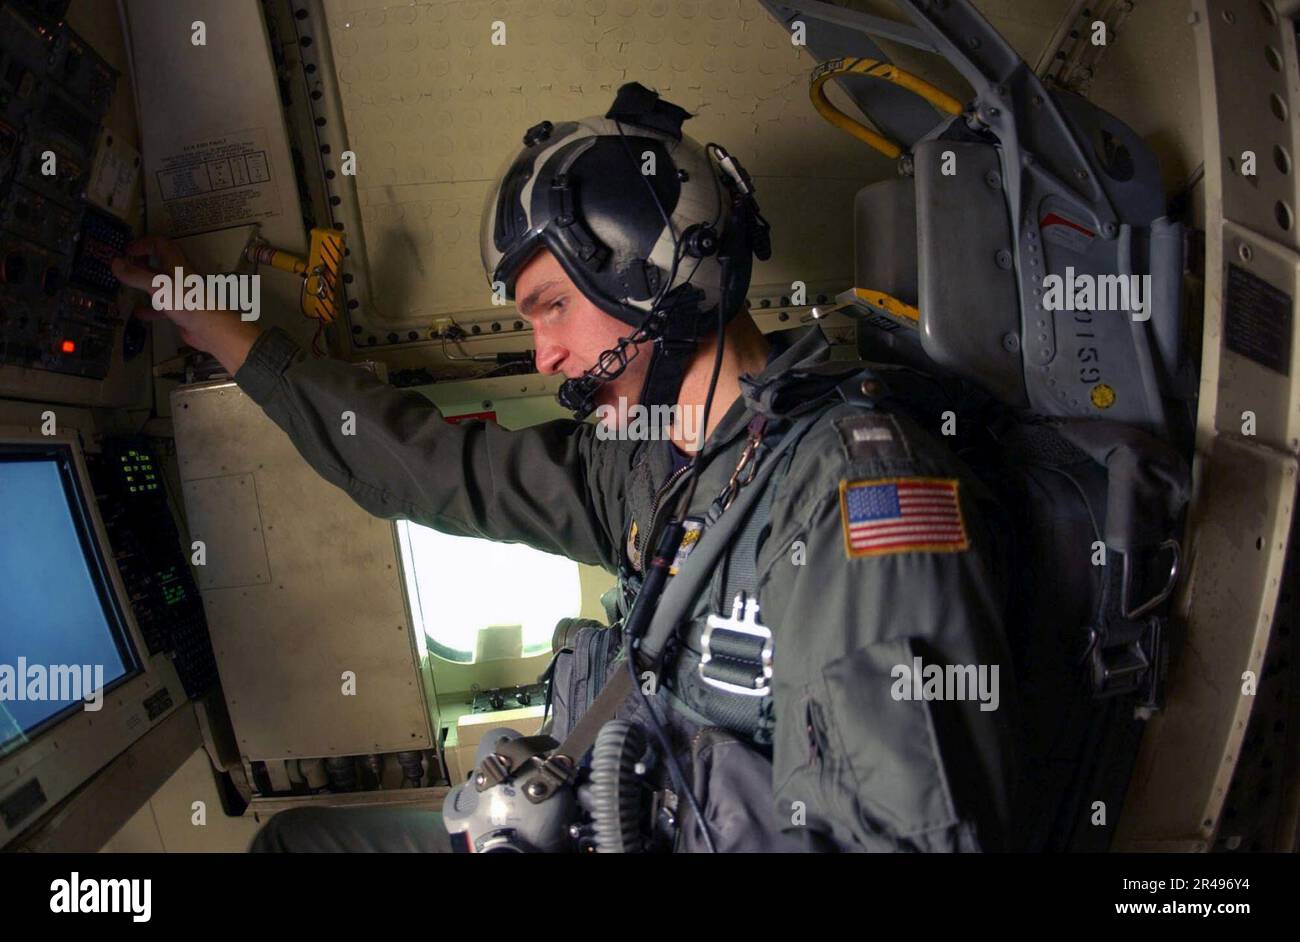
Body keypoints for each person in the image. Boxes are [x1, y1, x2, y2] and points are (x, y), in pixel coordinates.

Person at [112, 83, 1020, 853]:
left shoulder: (850, 499)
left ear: (658, 276)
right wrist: (207, 319)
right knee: (297, 841)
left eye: (552, 308)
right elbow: (426, 467)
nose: (543, 357)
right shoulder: (647, 467)